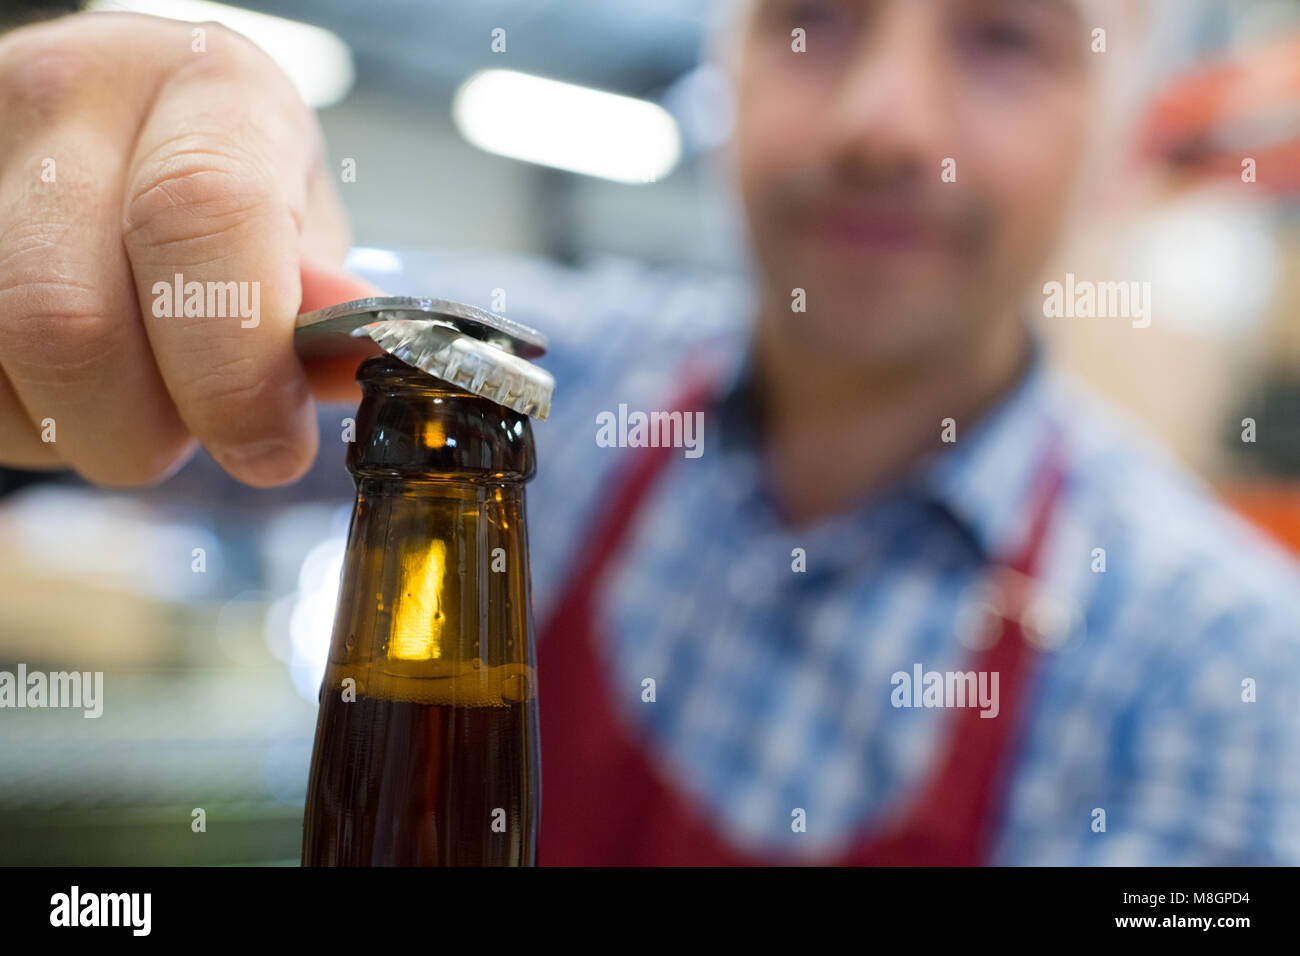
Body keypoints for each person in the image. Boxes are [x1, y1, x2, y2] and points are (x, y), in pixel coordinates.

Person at [0, 0, 1296, 865]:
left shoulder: (1225, 664)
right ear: (718, 74)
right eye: (813, 21)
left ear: (1131, 144)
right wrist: (102, 226)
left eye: (1008, 39)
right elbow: (148, 374)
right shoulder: (518, 379)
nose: (881, 125)